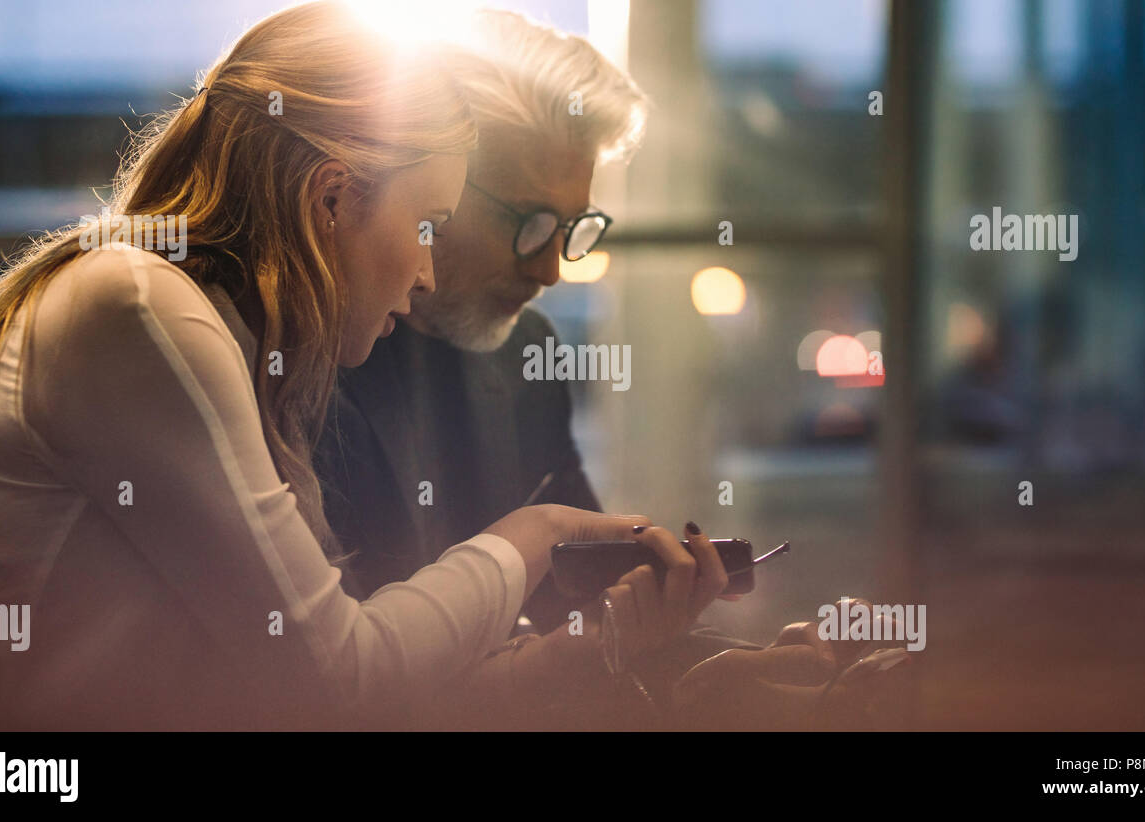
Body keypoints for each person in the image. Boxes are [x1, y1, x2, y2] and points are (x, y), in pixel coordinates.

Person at [0, 1, 725, 731]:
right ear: (332, 199)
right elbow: (341, 685)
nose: (427, 274)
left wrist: (599, 654)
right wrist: (536, 536)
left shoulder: (225, 339)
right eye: (426, 225)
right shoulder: (139, 309)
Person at [314, 10, 911, 729]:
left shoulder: (522, 350)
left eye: (572, 230)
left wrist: (725, 669)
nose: (550, 268)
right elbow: (346, 695)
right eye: (528, 223)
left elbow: (588, 624)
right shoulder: (306, 362)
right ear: (432, 189)